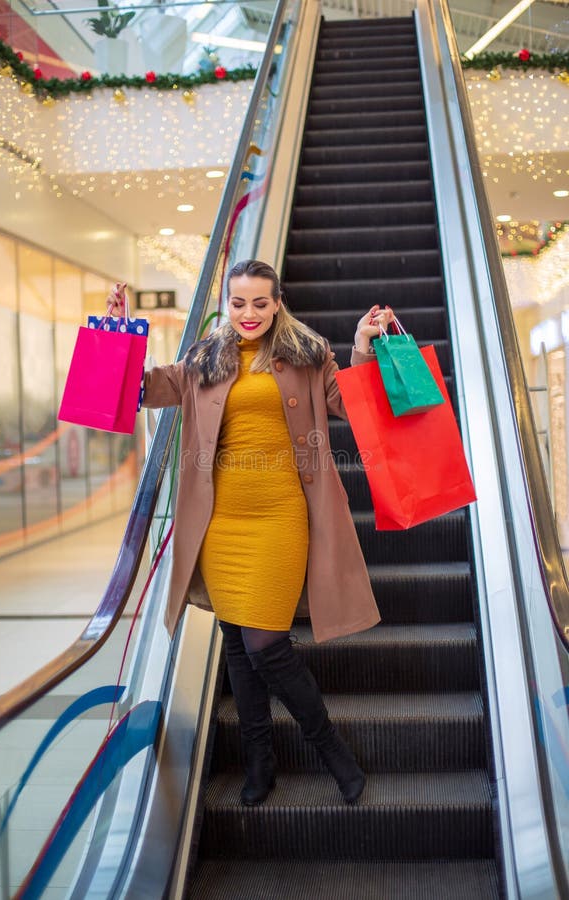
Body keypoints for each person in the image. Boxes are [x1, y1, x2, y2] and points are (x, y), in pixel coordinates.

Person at [108, 259, 393, 806]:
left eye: (260, 303)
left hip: (280, 516)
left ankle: (333, 750)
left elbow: (349, 405)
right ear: (226, 302)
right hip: (219, 525)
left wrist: (361, 344)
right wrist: (120, 334)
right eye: (239, 303)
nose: (249, 313)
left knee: (266, 644)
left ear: (277, 302)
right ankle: (260, 764)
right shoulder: (202, 360)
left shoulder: (308, 355)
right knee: (238, 643)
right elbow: (141, 391)